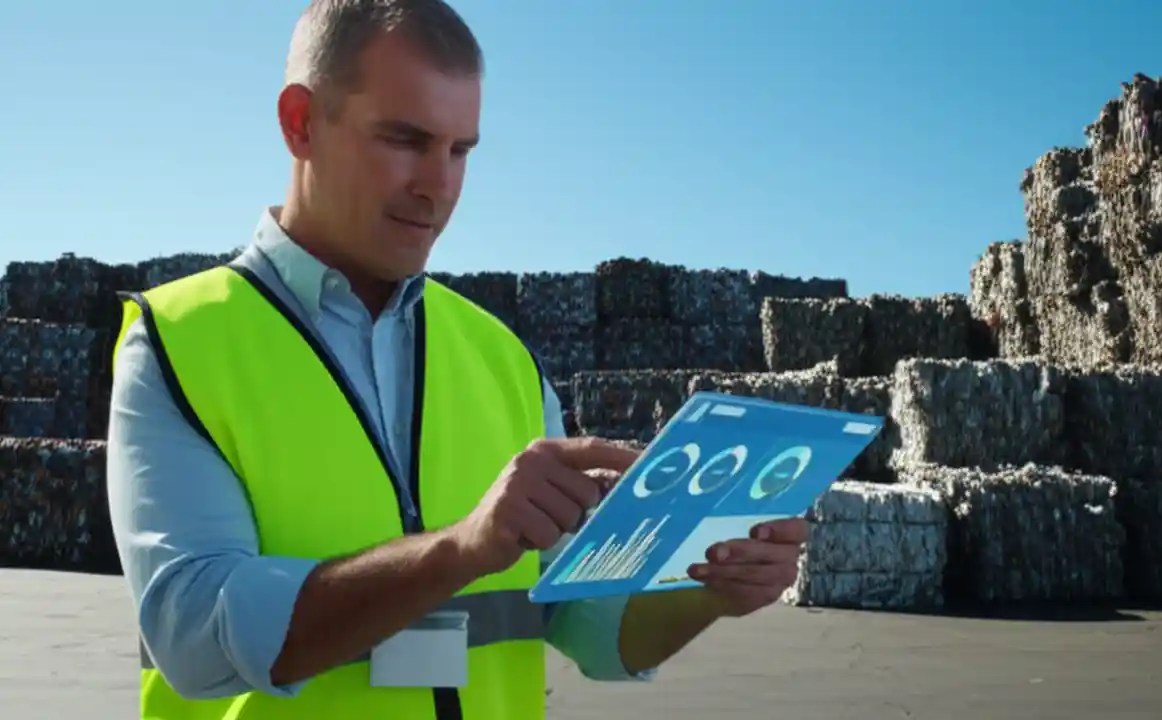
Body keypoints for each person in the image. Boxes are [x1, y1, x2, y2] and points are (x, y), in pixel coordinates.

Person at [105, 1, 808, 718]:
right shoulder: (177, 341)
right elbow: (191, 636)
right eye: (405, 140)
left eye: (460, 150)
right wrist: (463, 549)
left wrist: (708, 590)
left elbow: (589, 631)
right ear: (300, 122)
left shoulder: (502, 358)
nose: (438, 186)